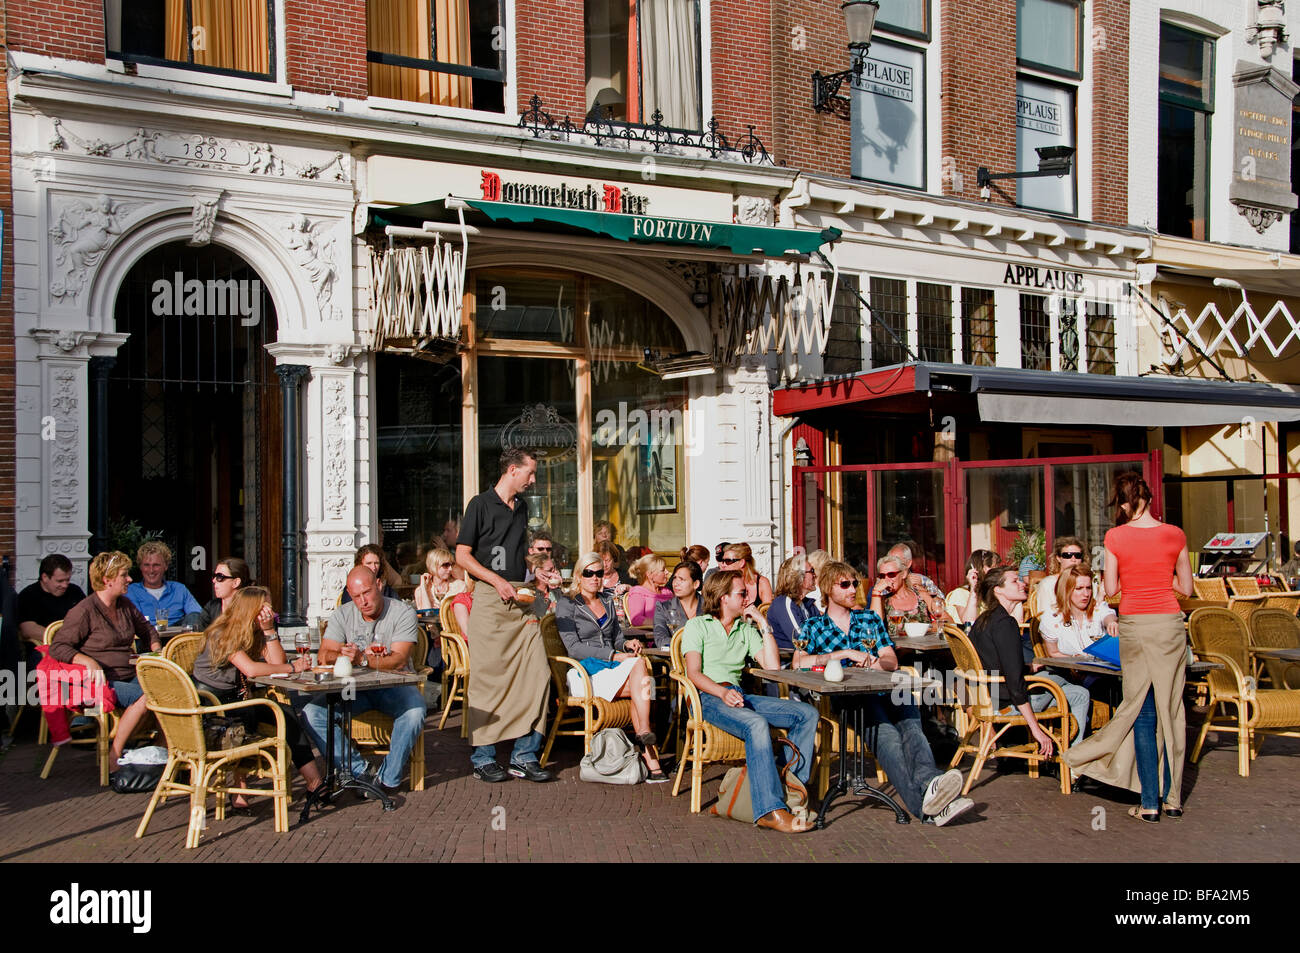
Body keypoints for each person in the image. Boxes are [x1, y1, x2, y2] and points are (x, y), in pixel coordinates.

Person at [798, 560, 972, 826]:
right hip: (851, 698)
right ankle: (927, 808)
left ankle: (931, 786)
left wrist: (878, 663)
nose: (852, 589)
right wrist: (843, 654)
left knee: (913, 727)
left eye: (855, 583)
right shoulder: (814, 627)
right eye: (844, 584)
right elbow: (799, 662)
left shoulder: (868, 619)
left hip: (886, 687)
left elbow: (890, 657)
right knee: (889, 737)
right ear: (827, 589)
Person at [1067, 472, 1193, 822]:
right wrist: (1160, 574)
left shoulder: (1115, 536)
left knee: (1140, 708)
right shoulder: (1175, 534)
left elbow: (1110, 589)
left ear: (1123, 503)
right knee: (1173, 710)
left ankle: (1149, 802)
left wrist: (1138, 579)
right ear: (1150, 498)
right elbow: (1187, 587)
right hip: (1169, 623)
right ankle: (1174, 799)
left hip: (1136, 624)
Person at [683, 570, 818, 833]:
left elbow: (773, 668)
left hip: (737, 695)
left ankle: (792, 793)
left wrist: (762, 623)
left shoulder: (745, 630)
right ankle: (769, 810)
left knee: (806, 714)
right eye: (742, 593)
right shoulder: (697, 625)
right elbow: (693, 674)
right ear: (723, 598)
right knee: (756, 724)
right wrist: (721, 693)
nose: (748, 597)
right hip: (707, 697)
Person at [456, 448, 552, 783]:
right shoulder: (479, 505)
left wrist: (540, 575)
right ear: (513, 470)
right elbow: (462, 556)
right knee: (487, 679)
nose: (533, 479)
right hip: (489, 597)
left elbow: (514, 556)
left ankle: (524, 755)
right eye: (530, 473)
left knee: (539, 675)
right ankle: (483, 757)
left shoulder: (522, 507)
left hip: (521, 599)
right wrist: (495, 580)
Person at [191, 587, 326, 811]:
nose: (270, 611)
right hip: (211, 706)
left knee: (286, 714)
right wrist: (292, 667)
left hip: (236, 700)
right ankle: (240, 788)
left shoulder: (252, 632)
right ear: (250, 609)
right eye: (265, 607)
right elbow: (251, 670)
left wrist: (269, 630)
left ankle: (314, 783)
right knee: (257, 714)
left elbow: (275, 660)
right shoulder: (223, 632)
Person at [302, 567, 427, 795]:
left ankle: (387, 779)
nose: (363, 601)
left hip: (393, 686)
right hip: (353, 689)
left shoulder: (402, 612)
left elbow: (399, 660)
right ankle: (360, 772)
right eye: (356, 596)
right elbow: (323, 655)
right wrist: (343, 652)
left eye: (367, 593)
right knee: (312, 712)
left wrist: (362, 659)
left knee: (415, 710)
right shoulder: (343, 613)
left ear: (379, 585)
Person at [555, 553, 665, 780]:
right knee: (643, 679)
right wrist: (614, 655)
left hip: (611, 670)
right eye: (589, 573)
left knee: (640, 674)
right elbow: (573, 648)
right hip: (584, 672)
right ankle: (647, 745)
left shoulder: (606, 600)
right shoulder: (567, 603)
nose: (595, 578)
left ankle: (646, 743)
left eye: (599, 573)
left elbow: (616, 638)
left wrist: (626, 643)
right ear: (578, 575)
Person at [50, 551, 162, 769]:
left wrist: (157, 651)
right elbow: (58, 647)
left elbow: (147, 630)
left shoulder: (124, 605)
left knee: (168, 691)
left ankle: (160, 751)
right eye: (124, 575)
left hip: (130, 674)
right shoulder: (84, 611)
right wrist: (86, 660)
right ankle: (114, 755)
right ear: (107, 580)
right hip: (102, 683)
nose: (129, 579)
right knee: (149, 697)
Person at [970, 565, 1090, 745]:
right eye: (1014, 581)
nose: (1022, 584)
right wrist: (1036, 731)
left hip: (988, 701)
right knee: (1057, 673)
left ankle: (1074, 764)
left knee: (1080, 693)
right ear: (998, 590)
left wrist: (1027, 667)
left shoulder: (983, 620)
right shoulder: (1005, 624)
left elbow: (994, 665)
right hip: (1008, 705)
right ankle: (1073, 760)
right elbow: (1015, 684)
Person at [15, 554, 86, 669]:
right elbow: (27, 629)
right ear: (45, 577)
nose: (64, 585)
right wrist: (60, 638)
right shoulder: (29, 595)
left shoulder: (75, 591)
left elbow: (88, 616)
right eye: (60, 581)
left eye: (67, 580)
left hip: (76, 646)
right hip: (43, 648)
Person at [1040, 564, 1117, 657]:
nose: (1086, 594)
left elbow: (1107, 615)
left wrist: (1111, 623)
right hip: (1066, 669)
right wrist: (1075, 663)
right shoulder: (1052, 617)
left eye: (1088, 588)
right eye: (1079, 588)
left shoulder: (1097, 609)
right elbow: (1053, 653)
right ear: (1066, 590)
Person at [869, 554, 949, 638]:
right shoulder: (882, 601)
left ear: (903, 574)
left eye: (891, 574)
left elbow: (948, 621)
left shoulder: (921, 595)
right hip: (898, 649)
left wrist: (927, 628)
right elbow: (872, 628)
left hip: (925, 647)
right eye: (882, 576)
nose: (886, 580)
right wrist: (876, 592)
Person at [126, 541, 202, 628]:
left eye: (156, 565)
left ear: (166, 566)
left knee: (195, 616)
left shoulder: (179, 589)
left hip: (177, 637)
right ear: (140, 567)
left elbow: (197, 615)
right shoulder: (131, 591)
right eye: (146, 565)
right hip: (146, 638)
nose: (151, 570)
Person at [1033, 536, 1102, 614]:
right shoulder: (1048, 584)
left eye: (1077, 555)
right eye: (1067, 555)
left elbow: (1096, 611)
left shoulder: (1088, 583)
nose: (1073, 559)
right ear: (1058, 558)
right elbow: (1043, 614)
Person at [768, 554, 820, 652]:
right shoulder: (783, 603)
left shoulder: (807, 604)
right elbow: (800, 637)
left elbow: (824, 629)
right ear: (799, 577)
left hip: (810, 659)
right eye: (812, 571)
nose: (815, 575)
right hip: (789, 662)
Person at [195, 557, 254, 629]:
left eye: (219, 577)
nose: (214, 580)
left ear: (235, 582)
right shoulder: (212, 607)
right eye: (214, 576)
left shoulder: (252, 608)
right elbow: (199, 636)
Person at [653, 561, 702, 646]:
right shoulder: (663, 607)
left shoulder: (710, 606)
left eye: (681, 579)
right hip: (675, 656)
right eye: (674, 578)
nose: (675, 583)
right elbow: (661, 640)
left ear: (696, 584)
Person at [946, 549, 998, 625]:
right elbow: (969, 623)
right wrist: (974, 588)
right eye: (993, 568)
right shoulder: (960, 593)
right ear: (977, 569)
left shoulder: (989, 593)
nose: (997, 572)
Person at [626, 553, 672, 627]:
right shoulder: (638, 593)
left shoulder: (667, 592)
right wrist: (663, 623)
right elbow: (636, 619)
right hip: (650, 636)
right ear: (650, 575)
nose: (667, 572)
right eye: (663, 570)